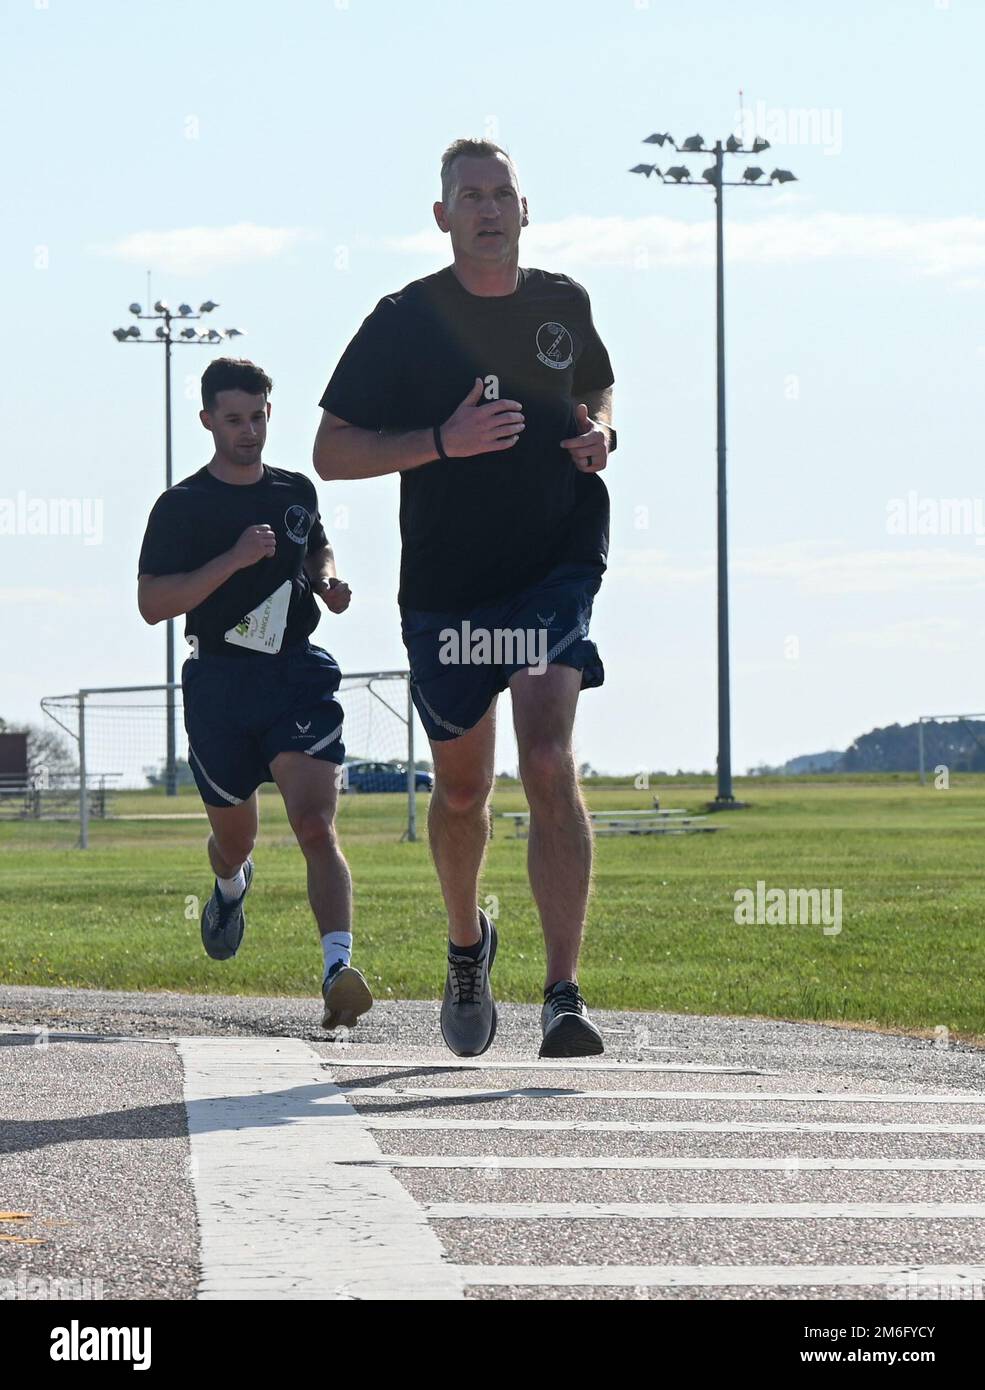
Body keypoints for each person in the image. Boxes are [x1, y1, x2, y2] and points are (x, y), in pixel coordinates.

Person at [313, 139, 616, 1058]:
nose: (487, 209)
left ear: (526, 209)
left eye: (501, 194)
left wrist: (601, 435)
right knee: (460, 791)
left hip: (555, 566)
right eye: (469, 196)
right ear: (442, 215)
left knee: (548, 758)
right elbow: (332, 451)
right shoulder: (406, 320)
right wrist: (442, 441)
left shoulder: (562, 302)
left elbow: (595, 388)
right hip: (448, 589)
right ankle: (464, 946)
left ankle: (562, 994)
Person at [137, 357, 372, 1032]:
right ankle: (230, 884)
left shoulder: (295, 489)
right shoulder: (181, 506)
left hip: (295, 675)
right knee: (234, 841)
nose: (248, 432)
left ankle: (337, 971)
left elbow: (315, 549)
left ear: (270, 414)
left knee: (315, 824)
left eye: (257, 418)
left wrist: (327, 580)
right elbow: (153, 604)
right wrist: (233, 559)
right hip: (219, 682)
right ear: (208, 420)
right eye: (233, 420)